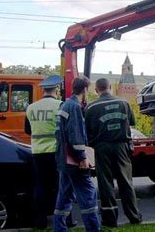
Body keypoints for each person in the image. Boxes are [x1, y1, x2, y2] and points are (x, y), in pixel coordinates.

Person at [85, 78, 142, 227]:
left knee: (105, 183)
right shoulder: (124, 103)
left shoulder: (91, 107)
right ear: (110, 87)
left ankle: (110, 219)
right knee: (126, 182)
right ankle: (134, 216)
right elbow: (131, 122)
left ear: (96, 90)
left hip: (101, 148)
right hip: (122, 146)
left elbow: (88, 131)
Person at [25, 75, 77, 229]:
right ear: (56, 89)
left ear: (43, 90)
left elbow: (27, 130)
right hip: (56, 152)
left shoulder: (31, 107)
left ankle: (40, 221)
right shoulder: (61, 106)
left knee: (40, 186)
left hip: (37, 151)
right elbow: (68, 129)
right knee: (62, 187)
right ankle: (66, 220)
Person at [54, 76, 100, 232]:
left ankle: (59, 228)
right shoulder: (74, 107)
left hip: (63, 159)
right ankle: (93, 229)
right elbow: (76, 135)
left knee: (64, 197)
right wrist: (82, 157)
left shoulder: (64, 105)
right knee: (88, 194)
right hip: (74, 161)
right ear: (85, 89)